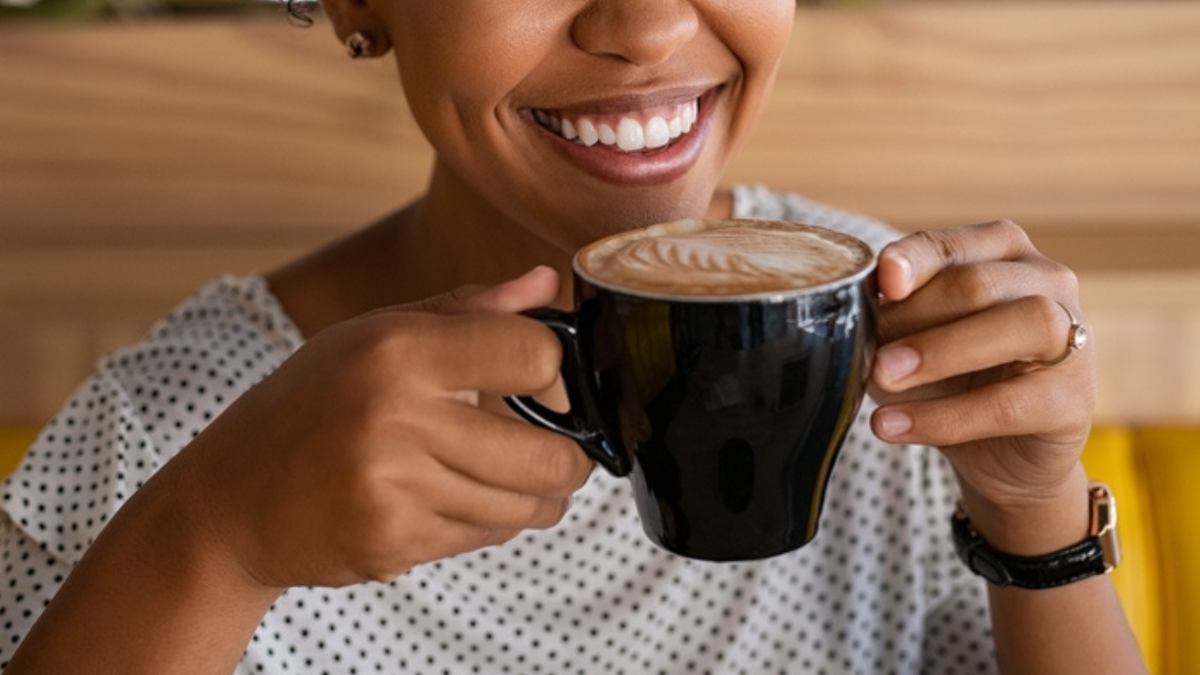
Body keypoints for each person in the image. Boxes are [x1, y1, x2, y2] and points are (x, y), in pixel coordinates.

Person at [0, 1, 1147, 673]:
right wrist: (218, 544)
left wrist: (1033, 518)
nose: (646, 28)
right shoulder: (165, 446)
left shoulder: (900, 340)